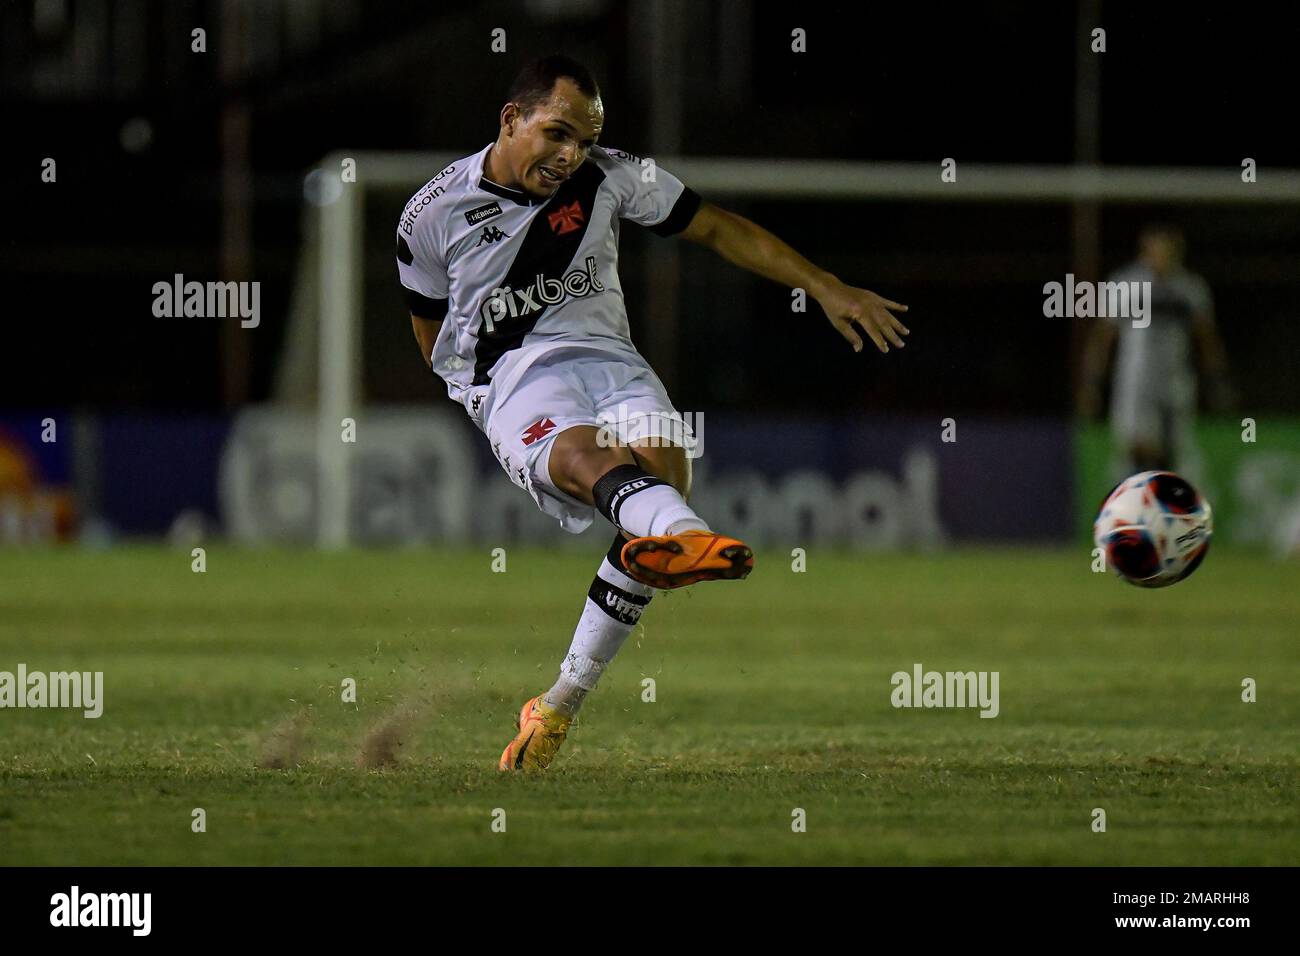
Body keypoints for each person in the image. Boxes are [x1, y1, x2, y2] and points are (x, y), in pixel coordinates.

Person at [396, 55, 909, 771]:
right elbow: (428, 331)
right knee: (592, 465)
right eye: (557, 133)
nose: (570, 153)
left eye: (583, 139)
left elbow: (717, 229)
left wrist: (824, 286)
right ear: (512, 120)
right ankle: (693, 540)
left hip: (609, 358)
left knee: (663, 476)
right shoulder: (432, 213)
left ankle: (557, 707)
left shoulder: (610, 176)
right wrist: (478, 392)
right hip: (514, 375)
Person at [1078, 225, 1232, 477]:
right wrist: (1092, 382)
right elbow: (1104, 337)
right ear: (1145, 251)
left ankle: (1174, 512)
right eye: (1156, 250)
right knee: (1134, 451)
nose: (1162, 257)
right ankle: (1132, 510)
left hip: (1175, 381)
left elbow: (1206, 338)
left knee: (1177, 454)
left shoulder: (1190, 288)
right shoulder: (1126, 283)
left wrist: (1217, 380)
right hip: (1135, 382)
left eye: (1168, 251)